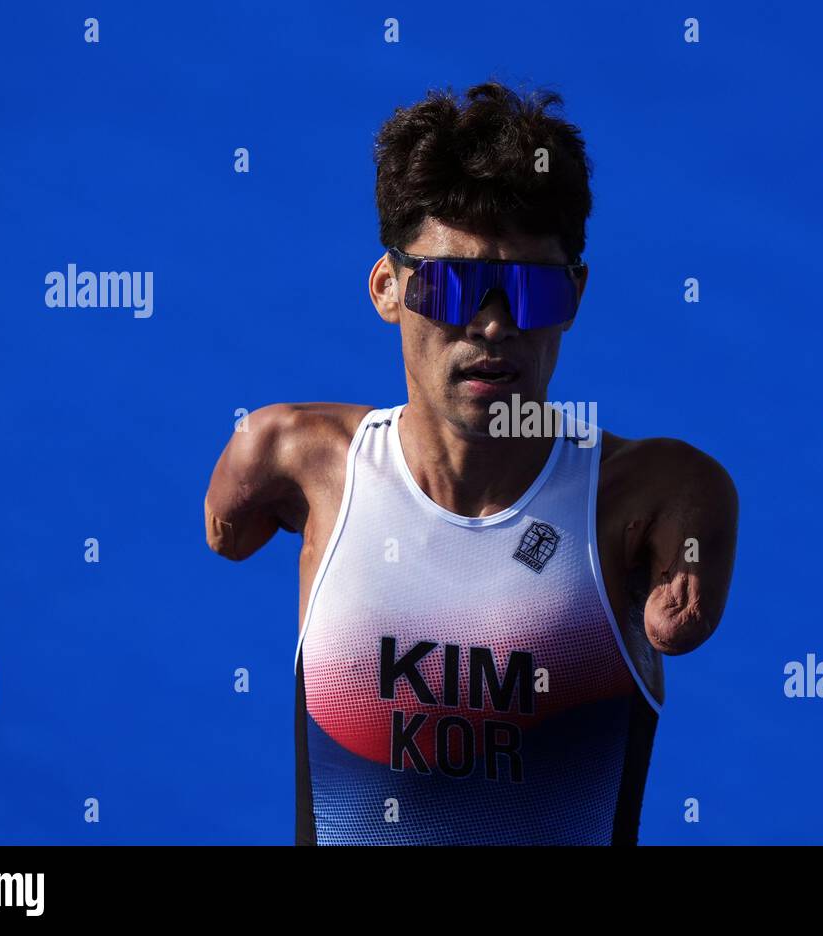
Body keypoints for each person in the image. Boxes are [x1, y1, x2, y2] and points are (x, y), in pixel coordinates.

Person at [204, 81, 738, 845]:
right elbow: (226, 529)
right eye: (453, 286)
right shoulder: (293, 459)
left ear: (575, 296)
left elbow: (678, 625)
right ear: (387, 288)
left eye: (531, 290)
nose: (492, 324)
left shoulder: (650, 499)